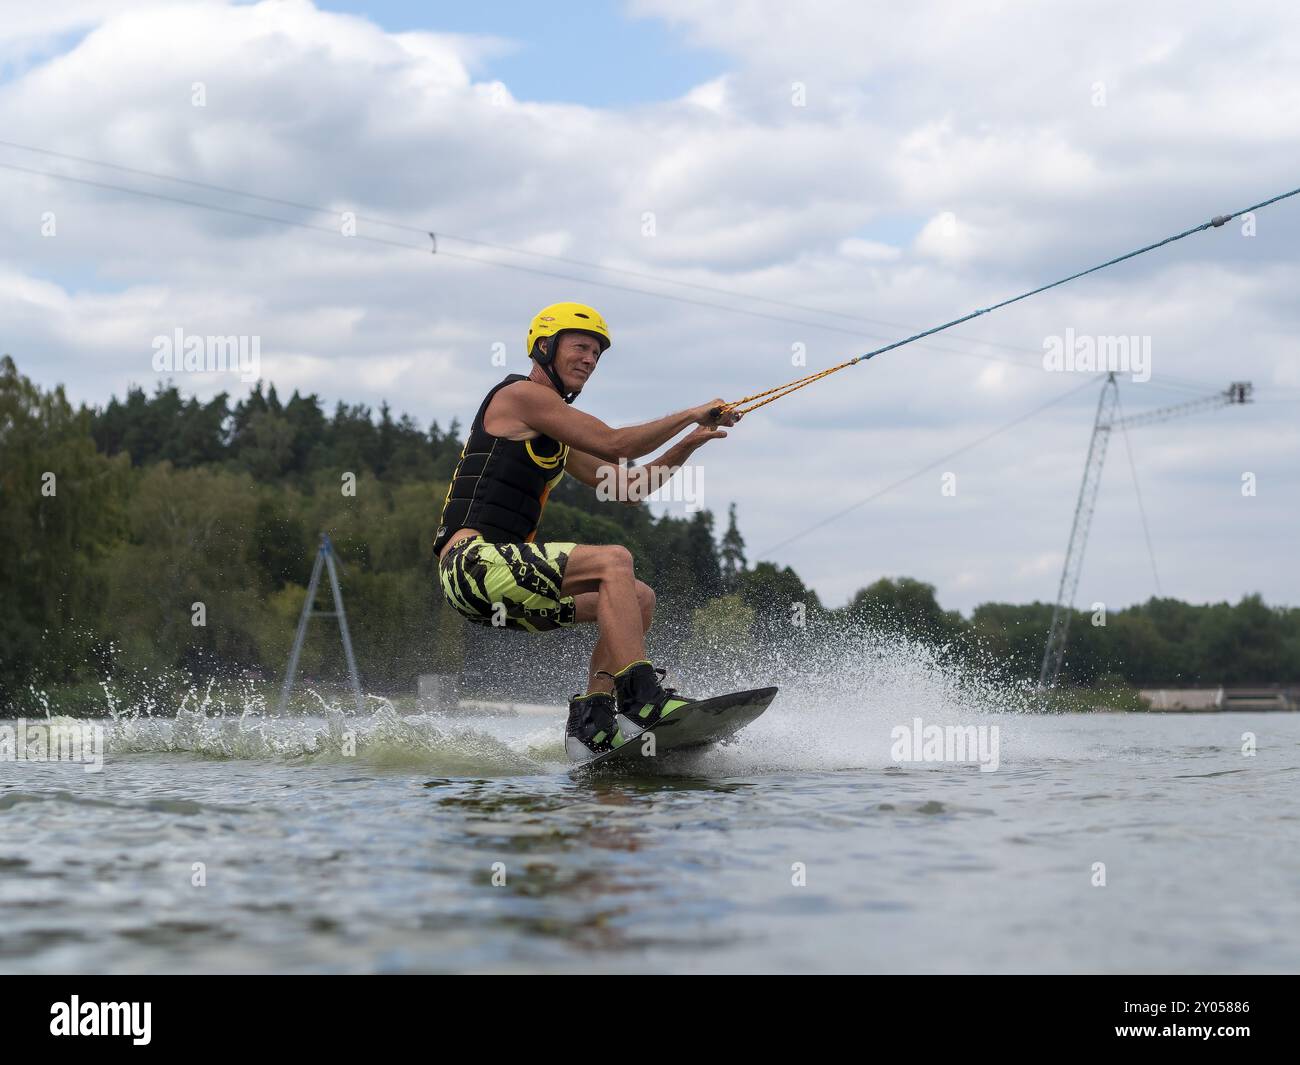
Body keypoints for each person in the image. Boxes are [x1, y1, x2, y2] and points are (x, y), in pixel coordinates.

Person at [433, 302, 741, 760]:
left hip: (503, 585)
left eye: (597, 354)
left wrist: (688, 444)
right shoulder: (520, 396)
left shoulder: (553, 435)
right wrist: (691, 413)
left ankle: (593, 719)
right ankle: (642, 698)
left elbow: (628, 486)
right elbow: (616, 444)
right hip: (472, 566)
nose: (590, 360)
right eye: (580, 347)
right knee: (613, 559)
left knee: (637, 598)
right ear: (544, 348)